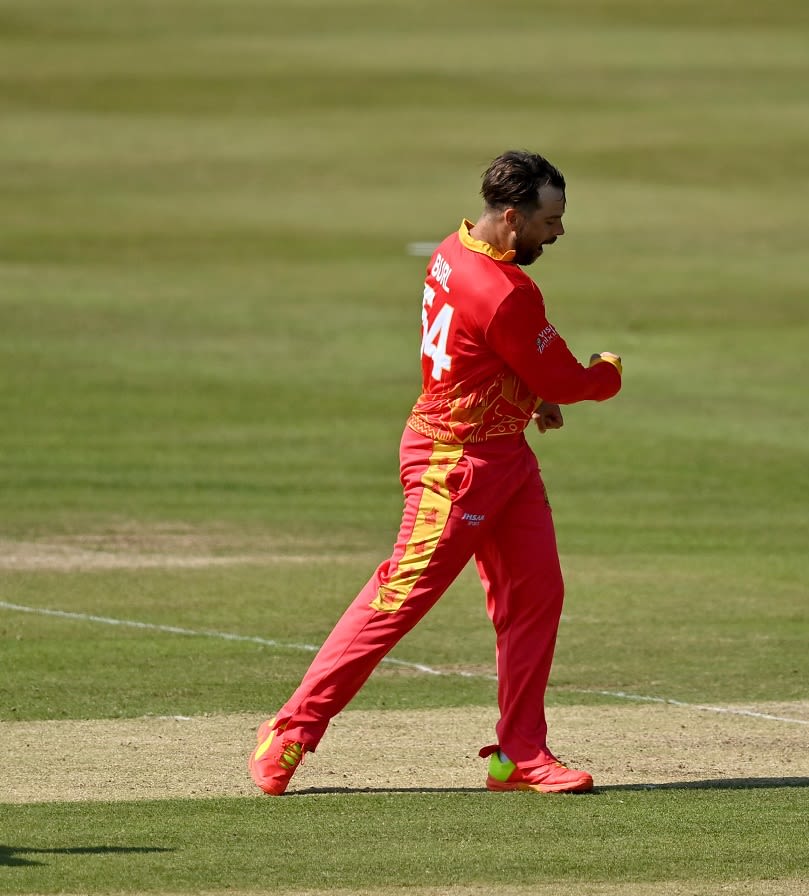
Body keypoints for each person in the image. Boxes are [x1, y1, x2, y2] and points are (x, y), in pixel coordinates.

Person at [249, 150, 622, 795]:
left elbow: (484, 354)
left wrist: (531, 397)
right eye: (551, 220)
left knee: (535, 596)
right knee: (396, 599)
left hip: (502, 457)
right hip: (455, 466)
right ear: (512, 216)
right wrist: (606, 371)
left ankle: (519, 755)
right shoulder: (508, 293)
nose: (558, 232)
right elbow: (569, 375)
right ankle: (290, 732)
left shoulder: (456, 249)